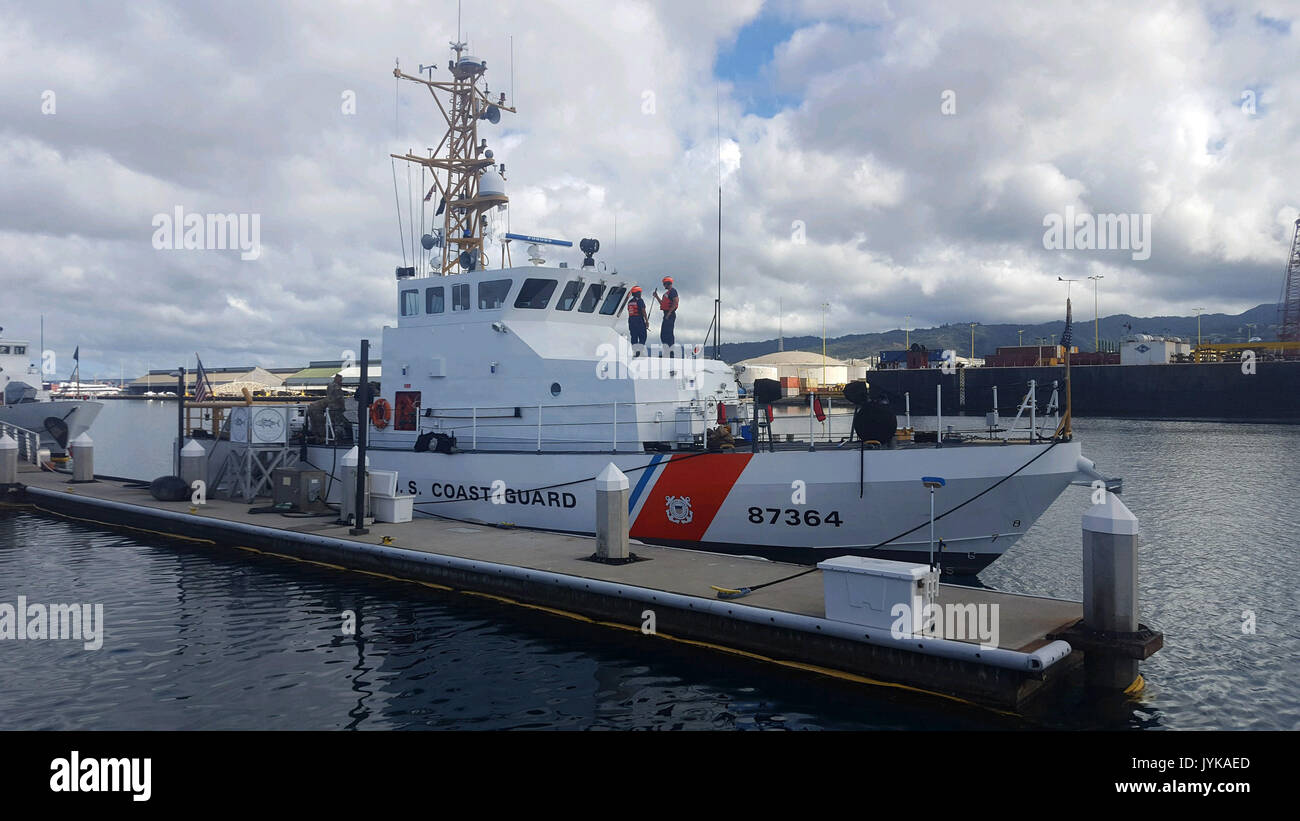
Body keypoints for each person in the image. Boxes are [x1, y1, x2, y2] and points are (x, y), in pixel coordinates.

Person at [307, 373, 347, 444]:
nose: (341, 381)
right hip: (335, 408)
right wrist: (343, 406)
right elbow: (339, 398)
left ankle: (325, 437)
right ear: (338, 379)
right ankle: (335, 438)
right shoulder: (336, 387)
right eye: (340, 380)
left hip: (329, 407)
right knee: (336, 424)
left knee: (328, 423)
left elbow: (329, 396)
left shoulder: (330, 385)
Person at [657, 276, 678, 355]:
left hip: (670, 314)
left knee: (668, 333)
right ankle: (667, 351)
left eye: (664, 284)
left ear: (667, 283)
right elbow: (663, 304)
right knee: (663, 334)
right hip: (666, 314)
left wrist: (669, 313)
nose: (663, 285)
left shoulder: (673, 291)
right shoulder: (667, 293)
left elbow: (675, 301)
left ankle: (670, 352)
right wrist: (656, 296)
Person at [627, 285, 648, 355]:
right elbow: (643, 311)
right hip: (639, 320)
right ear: (637, 293)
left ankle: (635, 351)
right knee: (643, 336)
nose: (641, 294)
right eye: (640, 292)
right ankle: (640, 349)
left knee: (634, 336)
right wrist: (647, 321)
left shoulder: (630, 302)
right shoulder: (640, 301)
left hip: (631, 321)